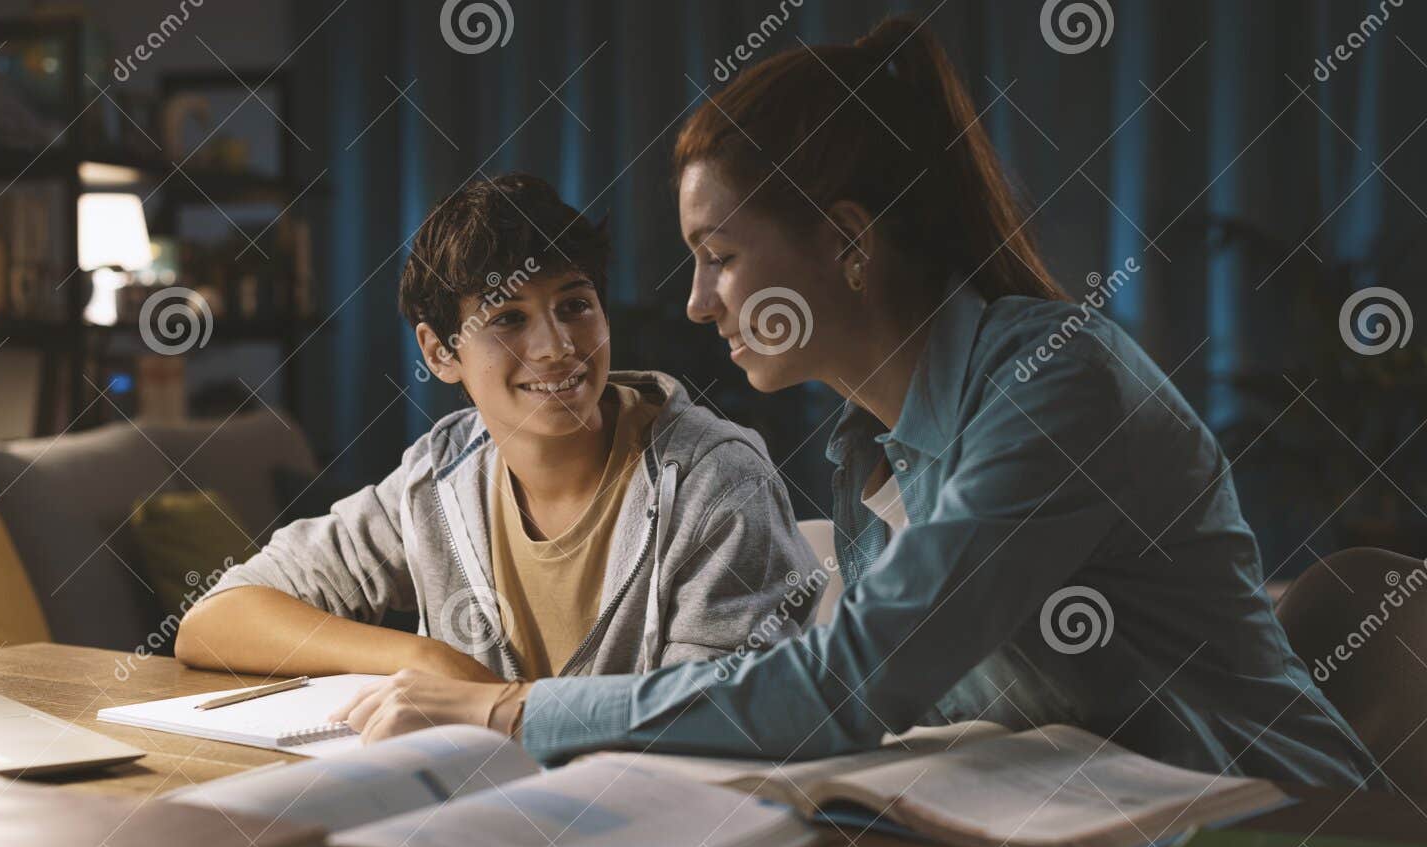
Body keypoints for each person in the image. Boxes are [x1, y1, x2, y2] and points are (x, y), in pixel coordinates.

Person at [327, 19, 1378, 789]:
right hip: (1080, 836)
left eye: (720, 258)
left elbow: (851, 685)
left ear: (846, 238)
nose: (695, 304)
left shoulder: (1056, 382)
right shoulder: (867, 447)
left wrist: (507, 708)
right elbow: (870, 695)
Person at [177, 173, 818, 707]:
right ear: (441, 351)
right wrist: (426, 658)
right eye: (509, 318)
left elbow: (715, 719)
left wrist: (497, 710)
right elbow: (214, 620)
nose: (558, 347)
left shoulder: (717, 483)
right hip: (470, 831)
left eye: (575, 305)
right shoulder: (441, 475)